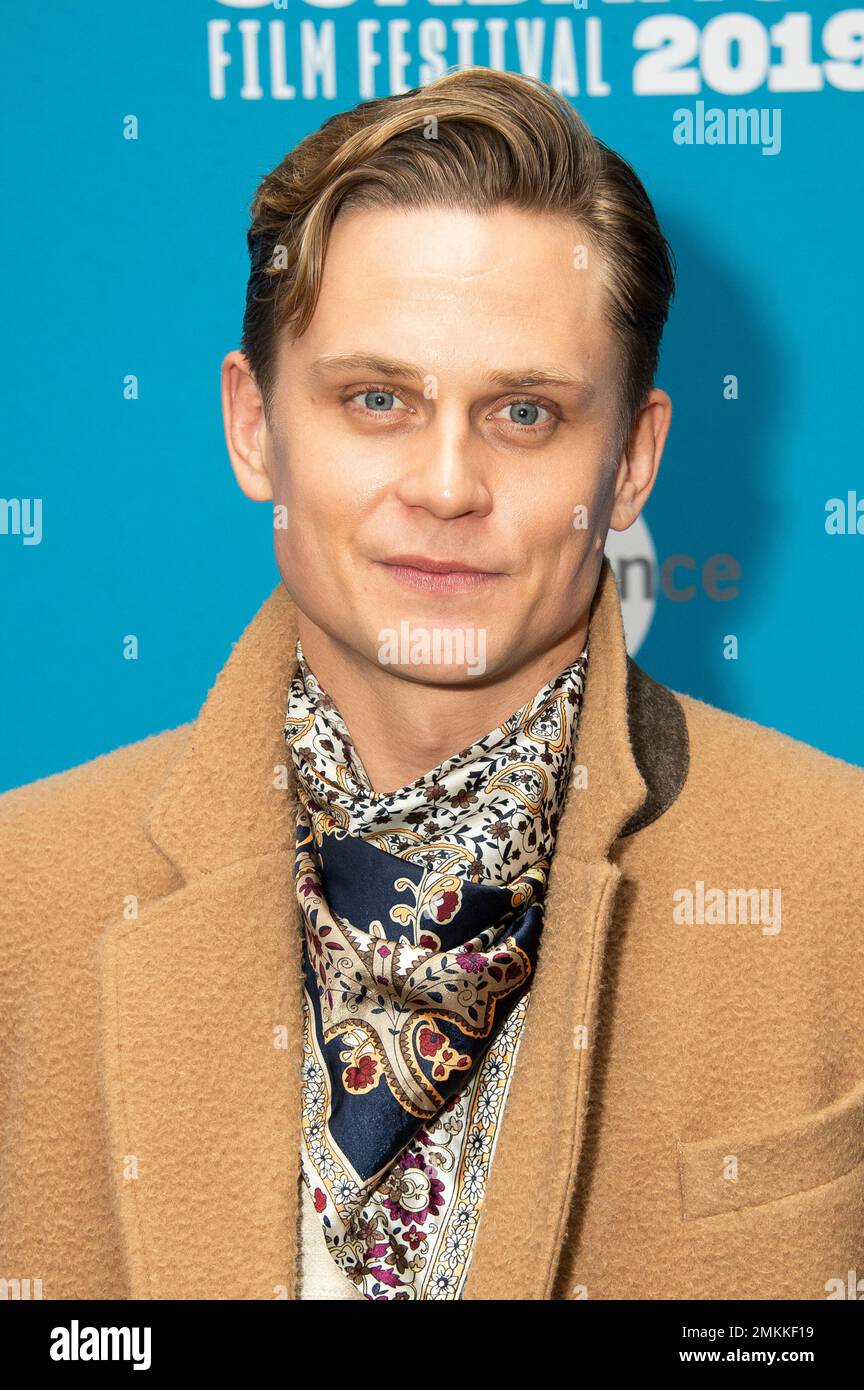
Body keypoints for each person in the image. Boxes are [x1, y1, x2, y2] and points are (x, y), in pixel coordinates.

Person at [1, 67, 862, 1303]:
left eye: (523, 412)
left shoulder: (845, 882)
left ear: (632, 462)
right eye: (377, 399)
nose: (447, 484)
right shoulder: (19, 896)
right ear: (254, 426)